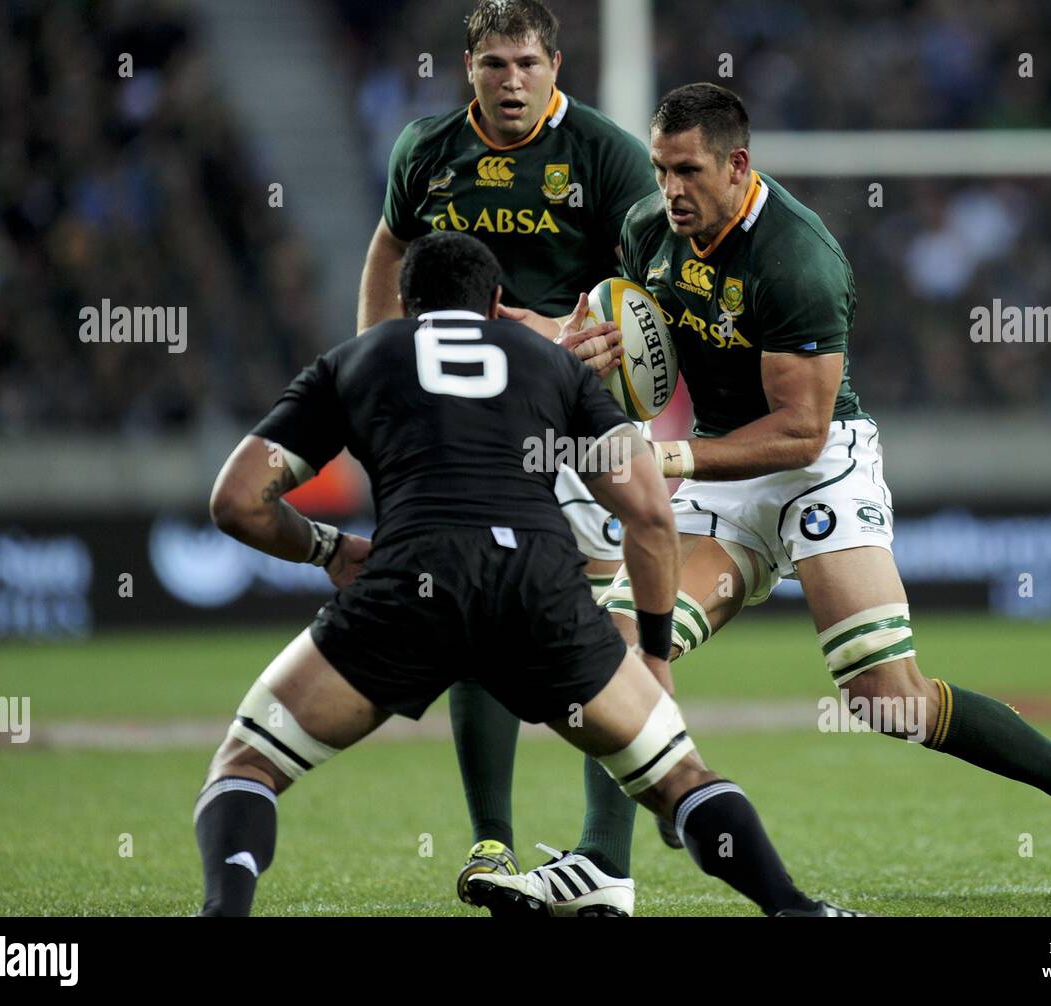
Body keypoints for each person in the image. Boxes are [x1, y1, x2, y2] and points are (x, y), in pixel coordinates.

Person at [480, 83, 1051, 919]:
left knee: (888, 699)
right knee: (613, 644)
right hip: (718, 473)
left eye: (688, 170)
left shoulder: (798, 257)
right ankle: (601, 865)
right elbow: (632, 337)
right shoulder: (646, 231)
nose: (669, 189)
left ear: (738, 165)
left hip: (818, 470)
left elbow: (801, 432)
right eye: (661, 168)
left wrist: (668, 454)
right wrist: (556, 332)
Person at [193, 231, 864, 918]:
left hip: (407, 583)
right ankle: (792, 908)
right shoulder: (550, 365)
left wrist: (329, 549)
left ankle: (225, 910)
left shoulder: (357, 359)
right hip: (538, 587)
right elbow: (651, 516)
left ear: (403, 302)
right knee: (680, 777)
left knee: (249, 765)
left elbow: (237, 502)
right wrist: (655, 654)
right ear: (495, 303)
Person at [356, 0, 662, 903]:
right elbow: (390, 246)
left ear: (555, 65)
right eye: (495, 65)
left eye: (527, 63)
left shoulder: (604, 153)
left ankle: (605, 864)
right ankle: (493, 844)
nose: (512, 80)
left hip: (582, 414)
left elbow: (653, 272)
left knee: (604, 631)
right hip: (472, 422)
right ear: (469, 68)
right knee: (478, 623)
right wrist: (377, 358)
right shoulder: (426, 151)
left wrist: (605, 328)